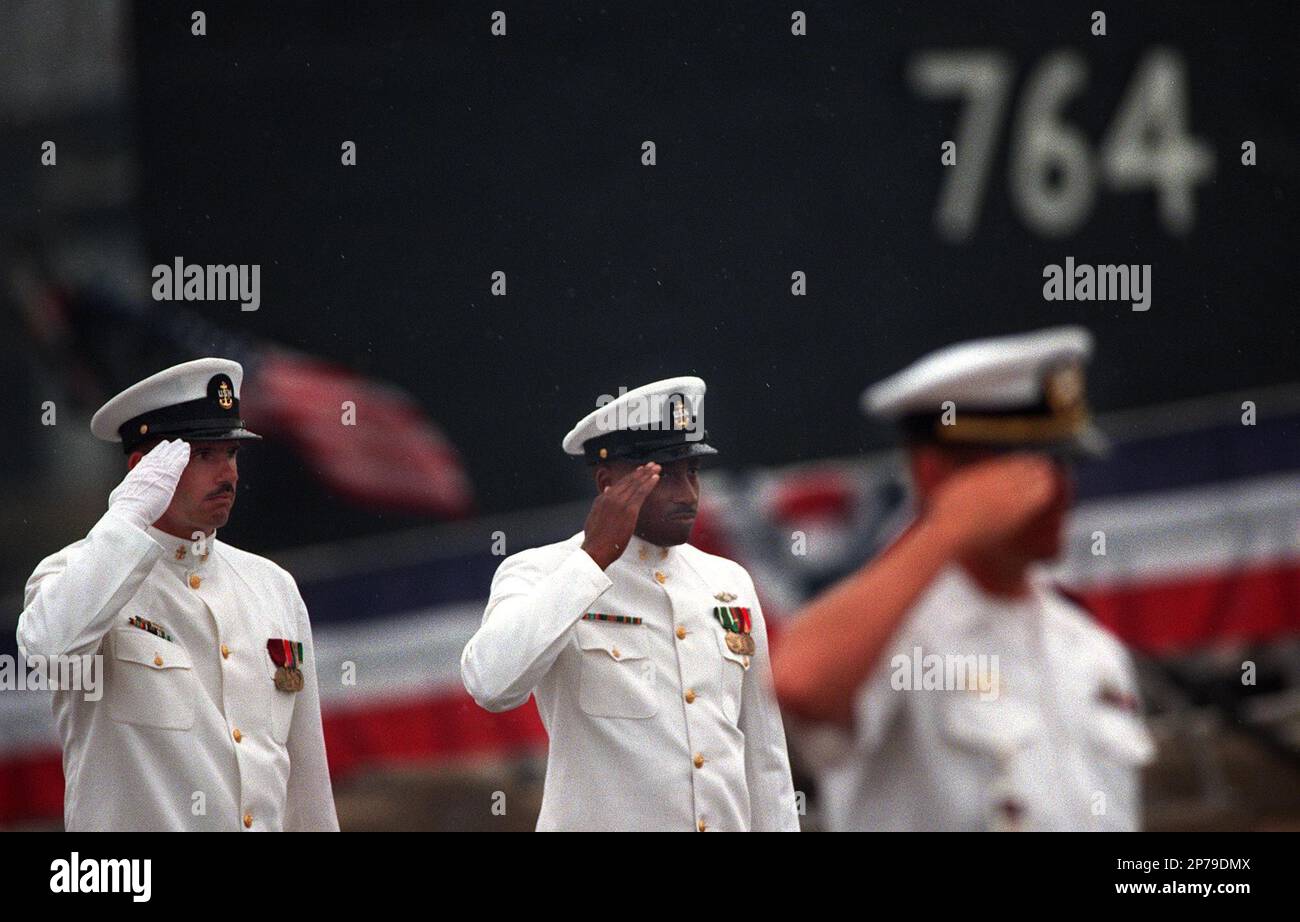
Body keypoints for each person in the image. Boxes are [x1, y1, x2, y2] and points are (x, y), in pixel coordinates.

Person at [773, 327, 1154, 831]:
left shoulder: (1084, 644)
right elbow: (799, 682)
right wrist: (946, 526)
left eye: (1065, 464)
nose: (1057, 490)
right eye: (1029, 470)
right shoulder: (896, 633)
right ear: (933, 473)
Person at [462, 376, 799, 831]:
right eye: (663, 475)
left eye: (692, 471)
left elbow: (765, 759)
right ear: (607, 483)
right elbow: (491, 683)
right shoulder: (541, 573)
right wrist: (593, 560)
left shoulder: (728, 581)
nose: (687, 494)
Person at [17, 358, 338, 831]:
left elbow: (307, 786)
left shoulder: (273, 586)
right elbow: (48, 648)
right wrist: (127, 518)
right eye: (203, 454)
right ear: (143, 469)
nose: (227, 472)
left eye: (230, 452)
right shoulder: (74, 575)